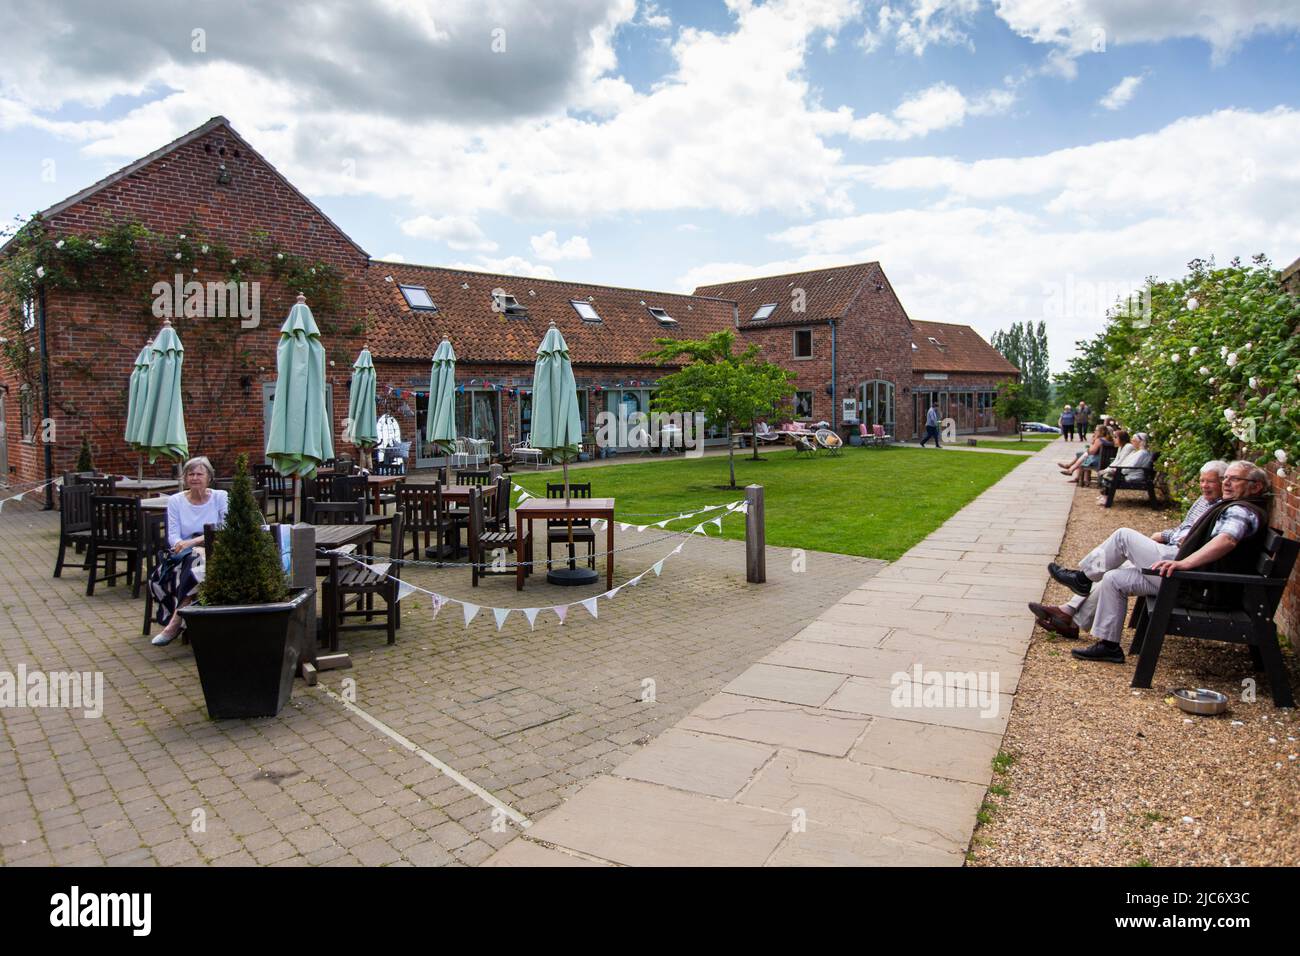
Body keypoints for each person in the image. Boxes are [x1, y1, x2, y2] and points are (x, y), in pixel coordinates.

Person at [1033, 460, 1267, 663]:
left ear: (1255, 486)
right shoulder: (1230, 506)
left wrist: (1184, 564)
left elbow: (1227, 540)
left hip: (1197, 584)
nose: (1226, 483)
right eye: (1225, 478)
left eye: (1234, 479)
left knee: (1123, 536)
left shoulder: (1240, 511)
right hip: (1193, 581)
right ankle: (1109, 646)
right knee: (1114, 578)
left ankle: (1082, 578)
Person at [149, 456, 229, 646]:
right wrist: (182, 544)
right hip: (184, 554)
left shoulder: (220, 497)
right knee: (191, 566)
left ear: (209, 477)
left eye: (199, 474)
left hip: (214, 549)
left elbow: (225, 527)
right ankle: (180, 621)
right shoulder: (176, 500)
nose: (194, 478)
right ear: (185, 478)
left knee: (197, 563)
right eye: (190, 474)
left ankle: (174, 624)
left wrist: (195, 542)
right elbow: (173, 535)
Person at [1096, 432, 1152, 505]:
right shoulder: (1139, 452)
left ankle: (1106, 498)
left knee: (1108, 475)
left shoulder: (1142, 453)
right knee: (1108, 474)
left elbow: (1131, 466)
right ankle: (1105, 496)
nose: (1132, 442)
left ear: (1140, 442)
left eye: (1134, 441)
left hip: (1134, 476)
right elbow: (1126, 463)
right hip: (1130, 473)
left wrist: (1119, 471)